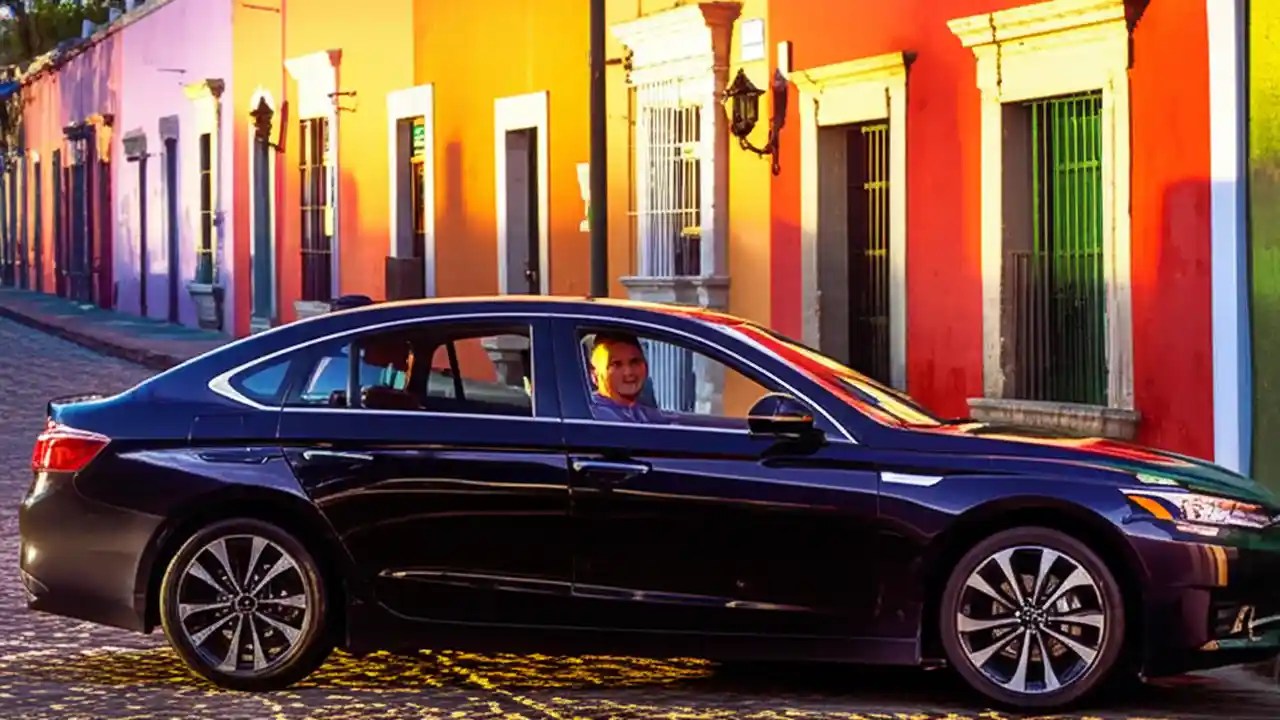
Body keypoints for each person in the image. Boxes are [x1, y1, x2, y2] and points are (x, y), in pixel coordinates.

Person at [588, 332, 668, 423]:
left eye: (634, 362)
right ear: (594, 374)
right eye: (616, 364)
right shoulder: (595, 415)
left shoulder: (640, 411)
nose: (628, 372)